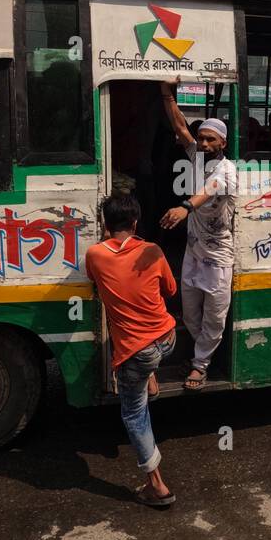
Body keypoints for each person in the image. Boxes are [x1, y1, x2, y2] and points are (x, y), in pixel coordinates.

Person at [85, 193, 178, 508]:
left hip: (136, 352)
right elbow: (171, 290)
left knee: (135, 413)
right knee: (146, 359)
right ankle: (150, 374)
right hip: (167, 339)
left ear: (104, 224)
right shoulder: (152, 250)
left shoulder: (95, 255)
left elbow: (94, 282)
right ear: (136, 223)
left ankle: (157, 486)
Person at [159, 82, 236, 391]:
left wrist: (185, 208)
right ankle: (199, 356)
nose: (203, 143)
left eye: (210, 139)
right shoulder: (197, 158)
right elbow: (179, 127)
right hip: (194, 254)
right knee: (191, 313)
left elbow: (210, 190)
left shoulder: (227, 171)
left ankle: (201, 365)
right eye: (201, 138)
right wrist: (167, 94)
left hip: (218, 256)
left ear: (222, 143)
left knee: (214, 318)